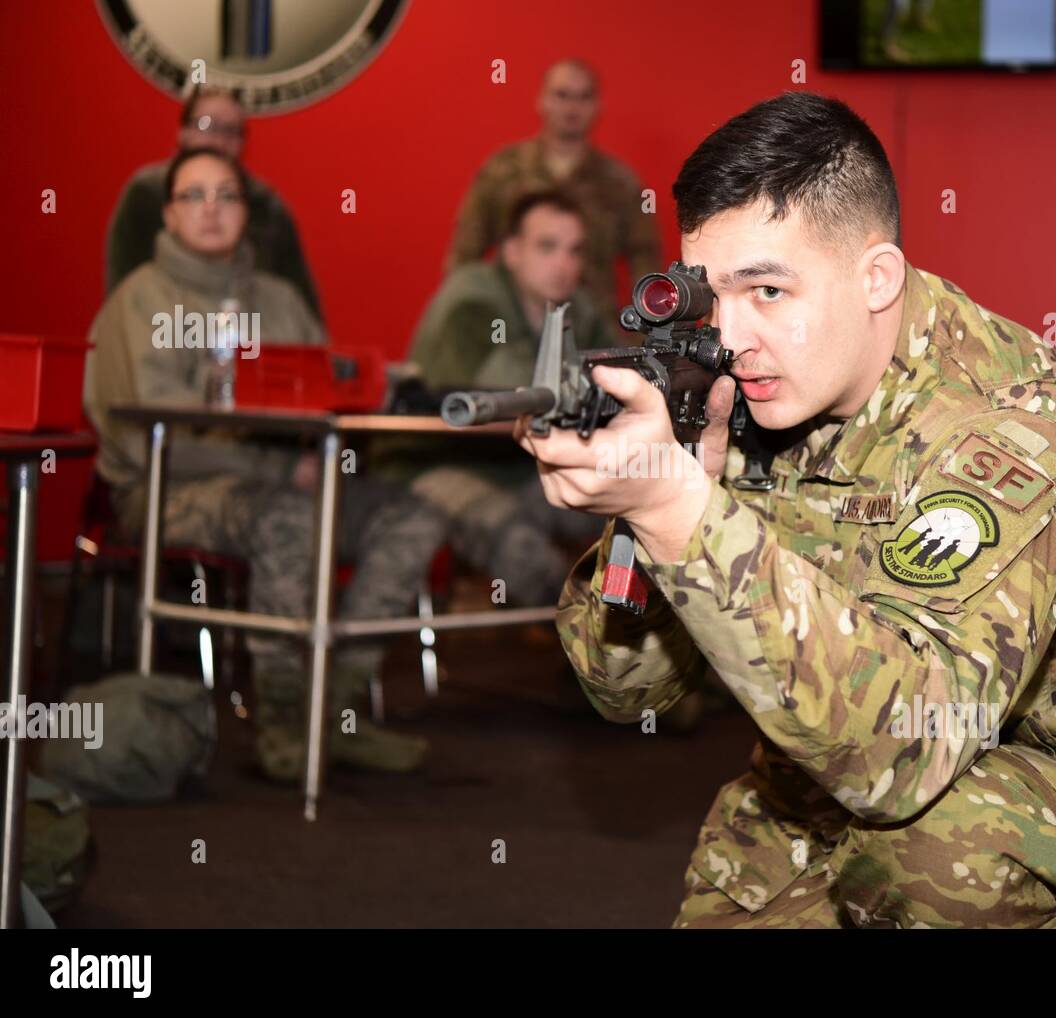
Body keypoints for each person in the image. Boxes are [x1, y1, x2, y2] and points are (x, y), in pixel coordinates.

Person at [518, 93, 1056, 928]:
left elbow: (910, 749)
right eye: (712, 296)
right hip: (811, 800)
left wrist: (680, 509)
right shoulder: (742, 399)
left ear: (877, 277)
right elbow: (625, 691)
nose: (730, 338)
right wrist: (645, 520)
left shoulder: (1021, 432)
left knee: (939, 851)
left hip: (1036, 817)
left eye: (768, 290)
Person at [84, 147, 441, 782]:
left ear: (247, 213)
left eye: (228, 195)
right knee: (291, 516)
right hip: (166, 491)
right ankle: (282, 723)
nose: (212, 209)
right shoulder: (141, 302)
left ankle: (335, 711)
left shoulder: (278, 300)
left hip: (291, 483)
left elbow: (330, 394)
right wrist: (280, 470)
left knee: (412, 515)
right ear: (168, 215)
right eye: (194, 195)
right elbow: (148, 437)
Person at [378, 191, 613, 608]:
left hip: (517, 463)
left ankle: (625, 652)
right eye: (547, 246)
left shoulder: (576, 306)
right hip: (430, 463)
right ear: (511, 252)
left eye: (575, 250)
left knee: (630, 508)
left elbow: (620, 373)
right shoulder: (471, 301)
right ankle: (583, 653)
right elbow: (510, 389)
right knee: (519, 542)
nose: (564, 264)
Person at [444, 59, 660, 321]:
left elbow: (646, 262)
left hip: (592, 328)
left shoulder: (619, 182)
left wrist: (649, 325)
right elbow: (466, 252)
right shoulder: (502, 170)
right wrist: (460, 312)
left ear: (597, 106)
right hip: (511, 325)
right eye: (562, 95)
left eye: (583, 97)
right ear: (542, 101)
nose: (572, 107)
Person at [104, 85, 321, 317]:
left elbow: (303, 311)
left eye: (231, 130)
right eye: (207, 125)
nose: (218, 140)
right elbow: (121, 285)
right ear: (183, 132)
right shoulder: (147, 195)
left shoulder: (267, 207)